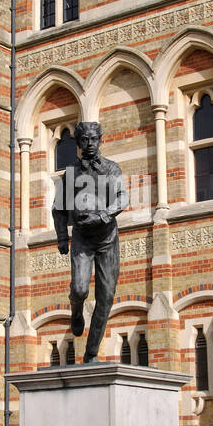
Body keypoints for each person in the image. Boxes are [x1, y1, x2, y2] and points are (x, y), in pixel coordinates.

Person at [52, 121, 128, 362]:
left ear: (100, 140)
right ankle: (76, 309)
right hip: (82, 240)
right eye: (85, 140)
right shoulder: (71, 174)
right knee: (79, 289)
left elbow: (122, 197)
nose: (90, 144)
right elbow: (58, 209)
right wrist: (62, 236)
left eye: (94, 139)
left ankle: (91, 353)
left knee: (105, 298)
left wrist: (103, 216)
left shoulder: (111, 169)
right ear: (78, 143)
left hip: (107, 239)